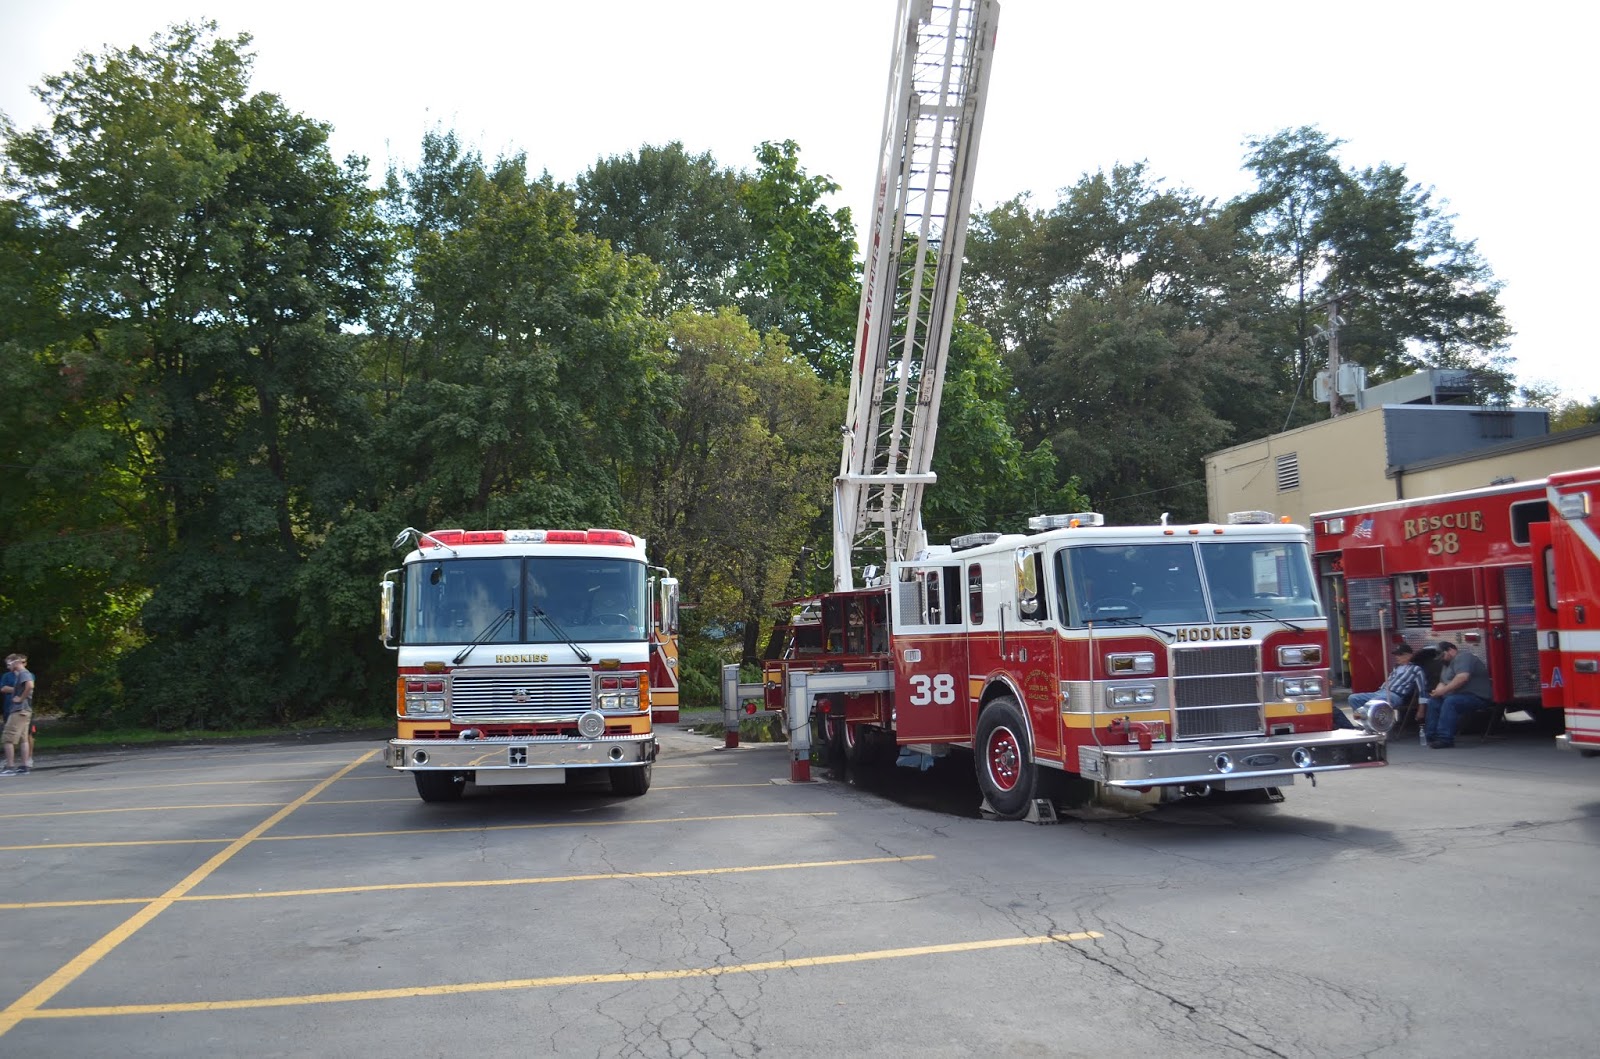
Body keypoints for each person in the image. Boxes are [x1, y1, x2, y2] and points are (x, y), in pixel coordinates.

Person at [1423, 640, 1494, 749]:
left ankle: (1445, 739)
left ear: (1451, 650)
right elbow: (1442, 682)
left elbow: (1462, 678)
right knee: (1434, 701)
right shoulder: (1446, 665)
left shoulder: (1464, 657)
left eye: (1443, 655)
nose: (1441, 659)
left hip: (1477, 696)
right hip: (1459, 696)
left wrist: (1444, 691)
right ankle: (1431, 737)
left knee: (1450, 702)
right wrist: (1437, 692)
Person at [1340, 643, 1427, 730]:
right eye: (1396, 655)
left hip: (1395, 695)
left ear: (1409, 655)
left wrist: (1421, 709)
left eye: (1400, 654)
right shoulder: (1396, 668)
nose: (1397, 657)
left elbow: (1422, 690)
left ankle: (1372, 726)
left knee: (1372, 703)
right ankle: (1364, 724)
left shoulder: (1416, 669)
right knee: (1353, 698)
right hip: (1381, 692)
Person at [2, 653, 36, 776]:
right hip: (24, 711)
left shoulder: (24, 673)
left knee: (8, 738)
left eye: (9, 664)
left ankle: (10, 767)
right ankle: (24, 766)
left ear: (16, 663)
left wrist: (21, 698)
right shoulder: (20, 674)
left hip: (19, 710)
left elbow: (30, 686)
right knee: (23, 739)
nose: (7, 667)